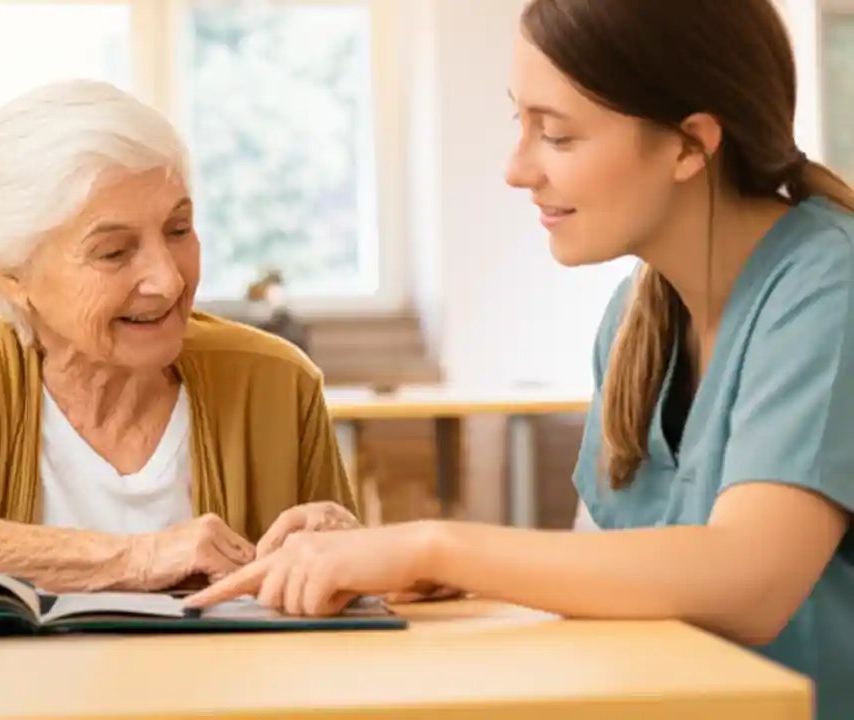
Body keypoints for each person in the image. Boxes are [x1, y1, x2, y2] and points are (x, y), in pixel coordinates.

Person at [187, 1, 854, 717]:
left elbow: (749, 582)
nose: (516, 170)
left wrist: (432, 547)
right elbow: (610, 579)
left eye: (557, 135)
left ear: (690, 145)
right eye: (521, 124)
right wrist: (393, 562)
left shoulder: (829, 285)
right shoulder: (636, 322)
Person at [0, 80, 359, 593]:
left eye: (178, 229)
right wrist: (133, 559)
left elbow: (352, 627)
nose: (167, 280)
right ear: (15, 277)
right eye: (114, 252)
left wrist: (353, 560)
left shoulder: (276, 382)